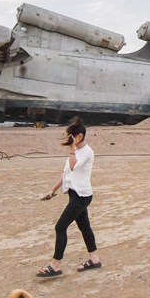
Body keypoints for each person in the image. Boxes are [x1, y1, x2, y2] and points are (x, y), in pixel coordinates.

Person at [38, 117, 102, 277]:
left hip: (82, 196)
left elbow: (73, 166)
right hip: (75, 194)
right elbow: (66, 173)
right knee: (84, 227)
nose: (67, 139)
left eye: (70, 136)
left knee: (60, 227)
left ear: (79, 136)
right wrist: (52, 190)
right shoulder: (75, 151)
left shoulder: (86, 152)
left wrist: (72, 148)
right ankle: (95, 260)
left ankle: (55, 265)